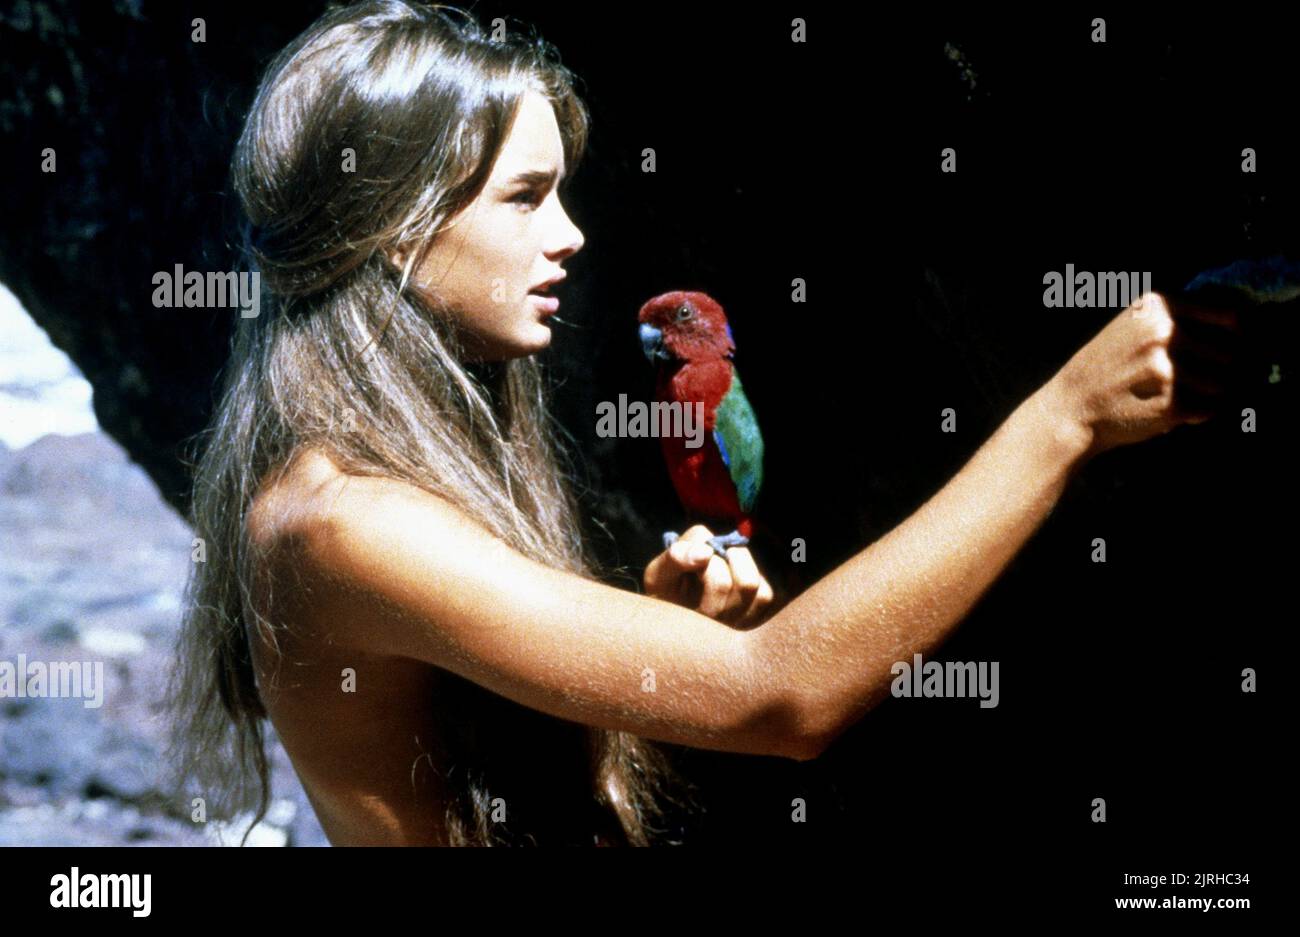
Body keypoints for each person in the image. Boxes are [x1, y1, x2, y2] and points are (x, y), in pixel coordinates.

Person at [163, 0, 1239, 846]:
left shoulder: (376, 486)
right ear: (395, 225)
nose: (572, 234)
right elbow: (783, 699)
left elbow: (488, 780)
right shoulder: (339, 521)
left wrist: (646, 636)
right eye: (526, 195)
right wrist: (1065, 417)